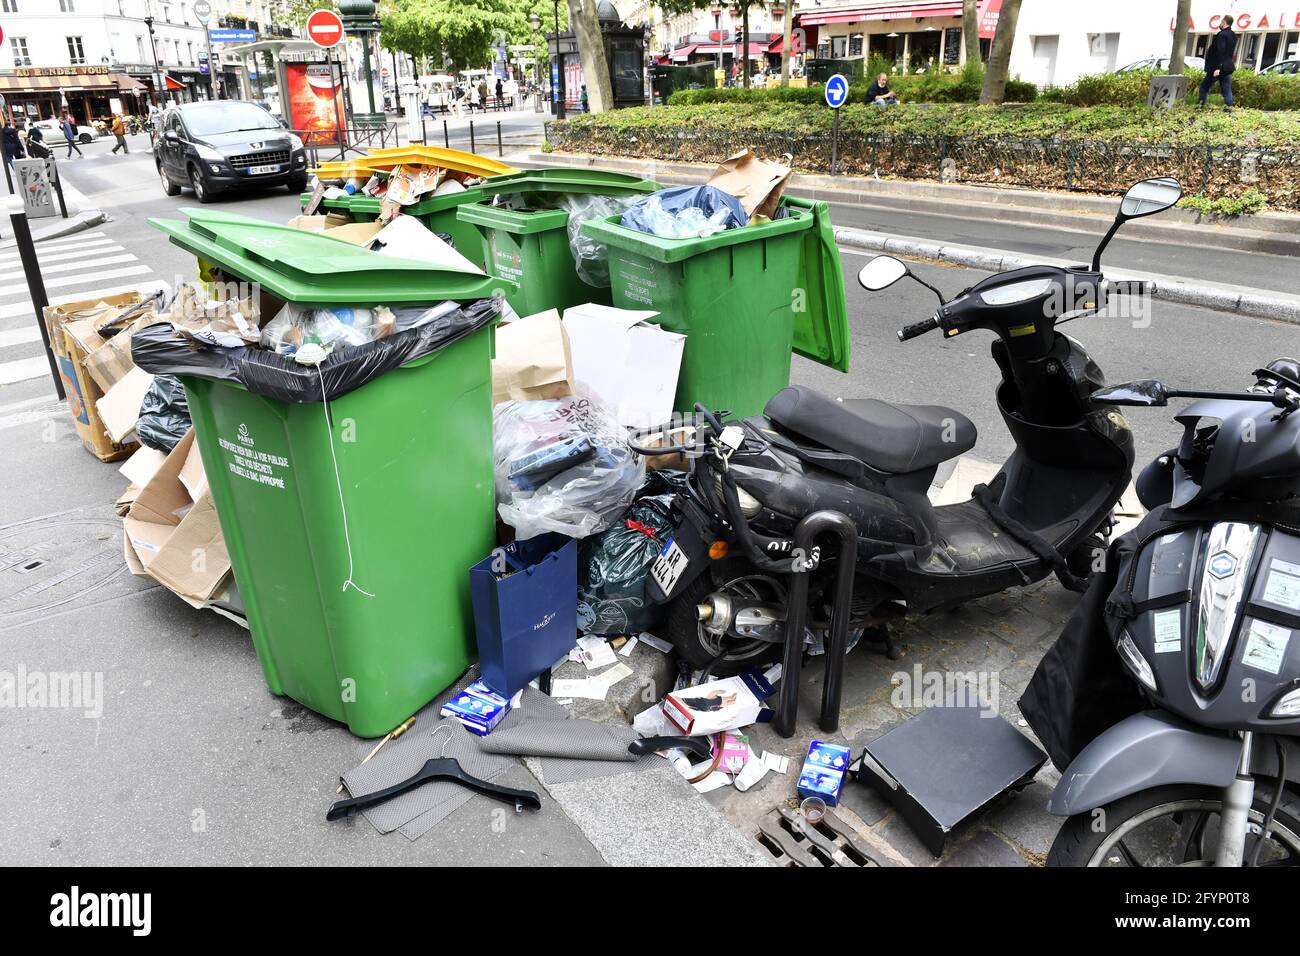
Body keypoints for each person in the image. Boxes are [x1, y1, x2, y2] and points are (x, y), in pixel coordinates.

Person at [1199, 14, 1237, 109]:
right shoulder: (1233, 35)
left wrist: (1217, 68)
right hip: (1228, 67)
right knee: (1227, 91)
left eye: (1221, 22)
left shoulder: (1222, 35)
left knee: (1204, 87)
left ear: (1224, 23)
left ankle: (1199, 107)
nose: (1220, 24)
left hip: (1217, 68)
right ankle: (1228, 111)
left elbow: (1220, 52)